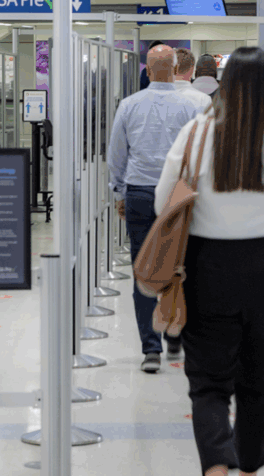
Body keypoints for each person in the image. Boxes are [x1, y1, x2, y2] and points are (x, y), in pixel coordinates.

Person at [154, 47, 264, 476]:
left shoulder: (197, 133)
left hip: (206, 265)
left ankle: (215, 467)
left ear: (225, 86)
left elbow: (163, 204)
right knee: (259, 375)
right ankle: (249, 468)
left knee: (208, 381)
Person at [108, 44, 204, 373]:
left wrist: (120, 192)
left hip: (140, 194)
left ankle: (151, 349)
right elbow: (202, 154)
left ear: (147, 71)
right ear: (177, 70)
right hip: (179, 196)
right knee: (181, 264)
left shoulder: (129, 105)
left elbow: (117, 155)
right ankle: (175, 333)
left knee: (144, 268)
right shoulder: (195, 105)